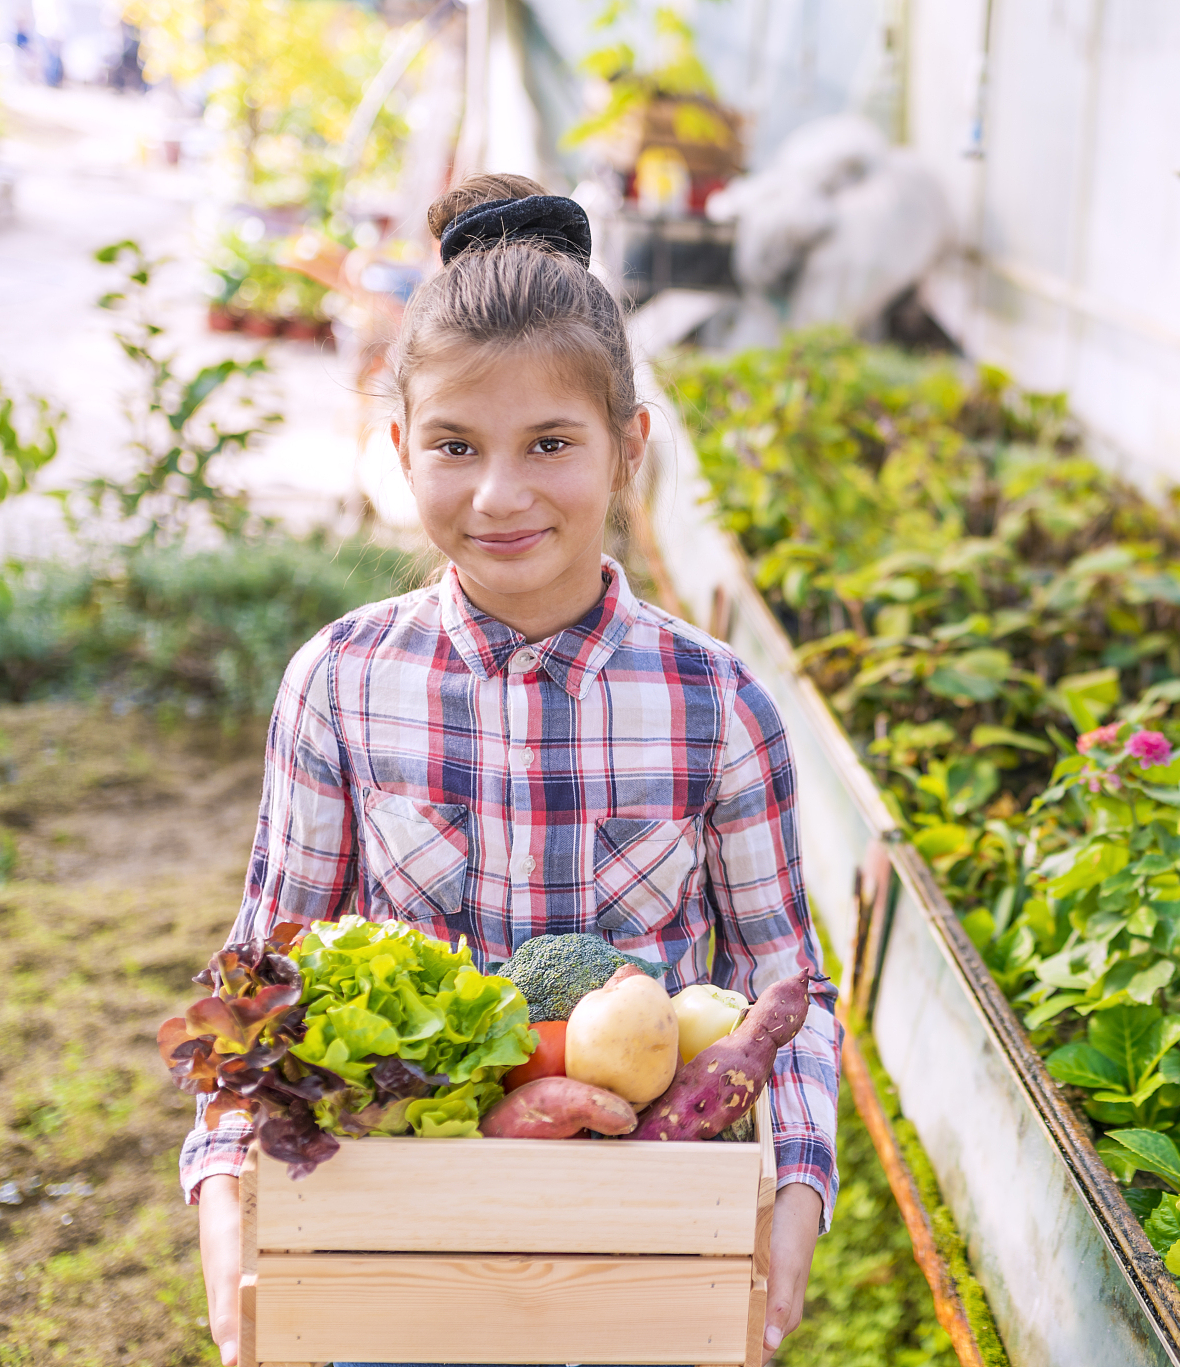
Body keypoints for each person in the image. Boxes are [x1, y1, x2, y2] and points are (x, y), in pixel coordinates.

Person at [182, 173, 840, 1367]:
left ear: (627, 446)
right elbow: (264, 968)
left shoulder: (718, 704)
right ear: (400, 448)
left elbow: (781, 983)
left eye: (550, 442)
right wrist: (228, 1194)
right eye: (454, 444)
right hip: (395, 1222)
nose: (499, 493)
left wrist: (793, 1194)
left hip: (644, 1232)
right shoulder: (339, 679)